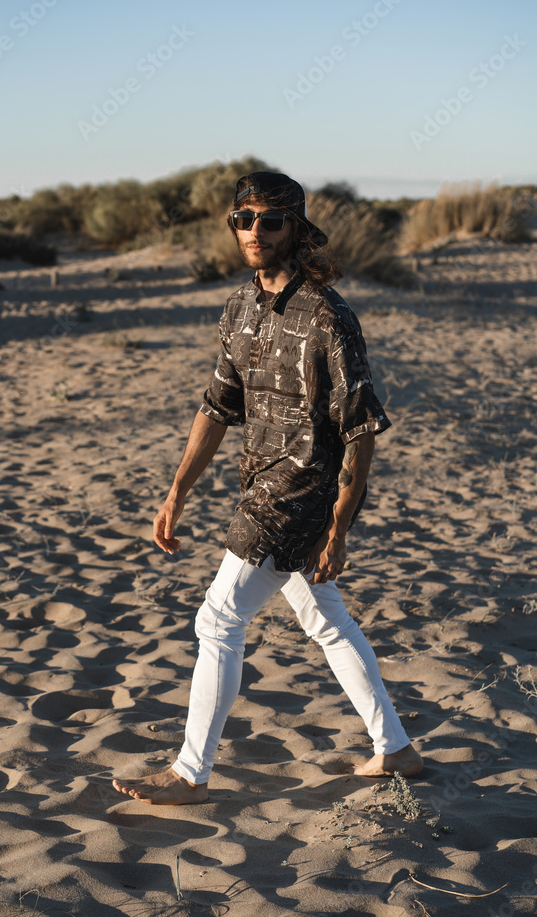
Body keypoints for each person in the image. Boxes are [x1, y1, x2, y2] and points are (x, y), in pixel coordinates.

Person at [113, 171, 423, 805]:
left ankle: (189, 775)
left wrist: (339, 528)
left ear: (297, 231)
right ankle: (394, 748)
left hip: (299, 492)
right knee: (325, 619)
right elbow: (216, 408)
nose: (254, 231)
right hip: (256, 481)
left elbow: (360, 429)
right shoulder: (239, 308)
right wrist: (177, 492)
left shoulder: (329, 315)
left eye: (270, 220)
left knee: (218, 618)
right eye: (243, 219)